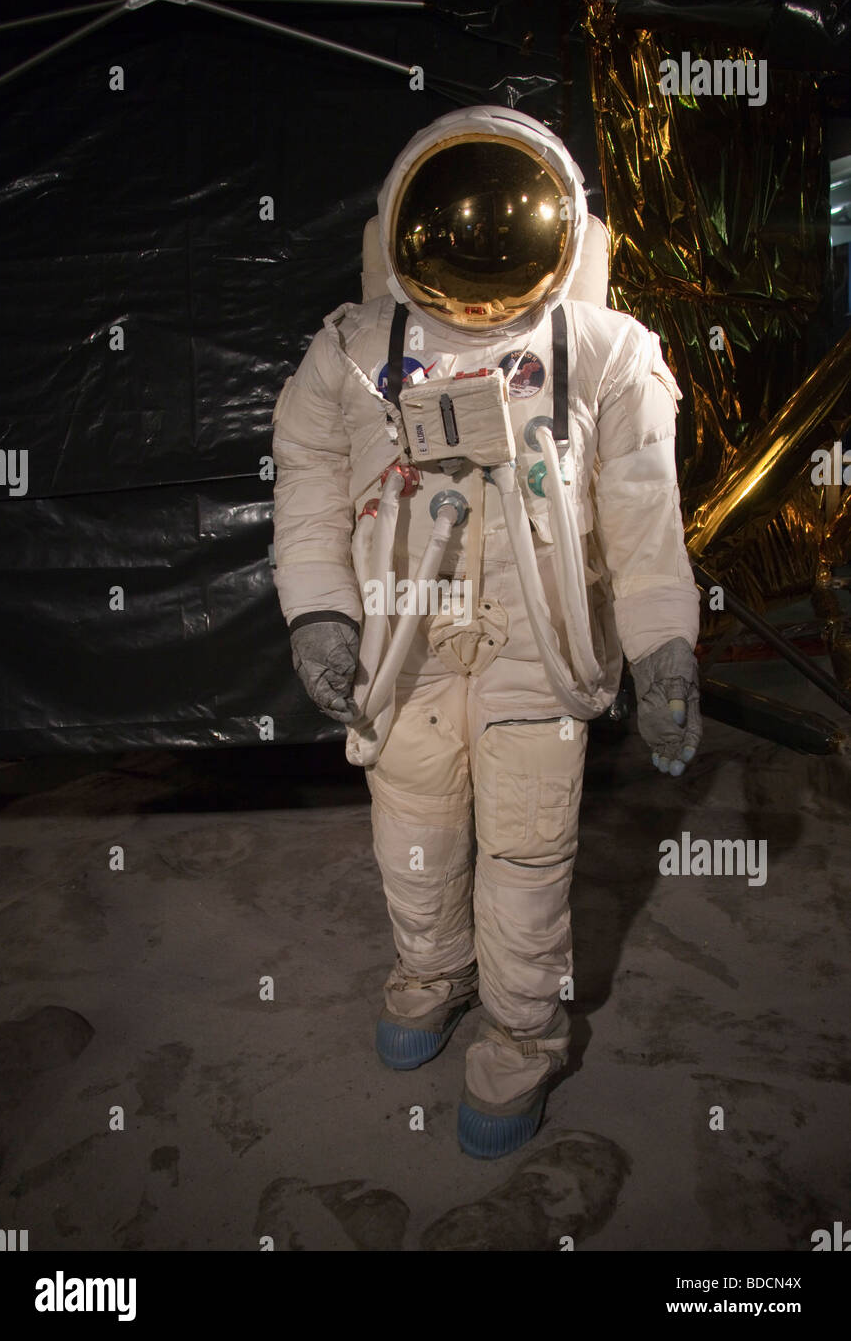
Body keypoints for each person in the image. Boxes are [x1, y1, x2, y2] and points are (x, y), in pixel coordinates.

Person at [271, 105, 701, 1160]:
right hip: (401, 642)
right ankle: (428, 974)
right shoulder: (353, 348)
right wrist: (318, 612)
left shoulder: (602, 353)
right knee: (412, 838)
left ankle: (519, 1036)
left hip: (534, 647)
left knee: (526, 850)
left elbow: (644, 523)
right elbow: (312, 487)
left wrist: (661, 649)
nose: (477, 253)